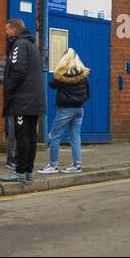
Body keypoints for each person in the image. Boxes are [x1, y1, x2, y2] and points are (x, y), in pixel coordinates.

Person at [0, 18, 44, 183]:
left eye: (7, 30)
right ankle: (28, 171)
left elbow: (18, 70)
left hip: (23, 100)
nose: (6, 33)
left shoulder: (19, 44)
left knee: (22, 136)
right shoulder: (33, 45)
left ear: (14, 29)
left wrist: (9, 91)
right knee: (31, 135)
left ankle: (19, 171)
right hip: (35, 100)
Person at [38, 47, 91, 175]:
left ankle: (53, 165)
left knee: (55, 135)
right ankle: (77, 165)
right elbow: (88, 93)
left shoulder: (62, 75)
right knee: (75, 136)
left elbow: (53, 84)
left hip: (65, 109)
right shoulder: (83, 74)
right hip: (79, 109)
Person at [0, 34, 18, 170]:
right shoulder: (7, 57)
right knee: (13, 131)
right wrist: (11, 82)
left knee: (22, 131)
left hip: (24, 99)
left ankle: (19, 158)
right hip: (11, 99)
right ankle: (10, 158)